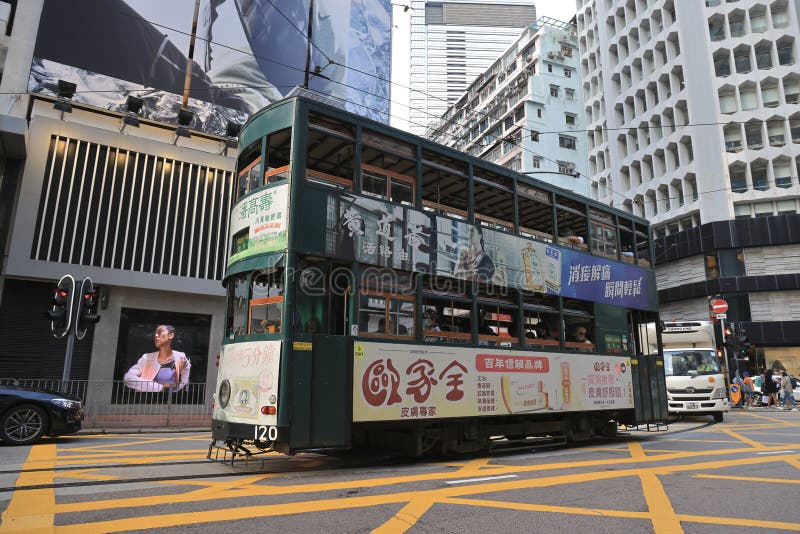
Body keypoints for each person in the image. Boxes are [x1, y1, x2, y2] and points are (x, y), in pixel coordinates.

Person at [124, 325, 191, 393]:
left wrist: (175, 389)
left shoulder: (181, 357)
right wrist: (159, 388)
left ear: (170, 335)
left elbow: (184, 381)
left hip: (172, 400)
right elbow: (128, 378)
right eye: (155, 333)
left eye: (159, 332)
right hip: (147, 399)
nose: (156, 335)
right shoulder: (147, 357)